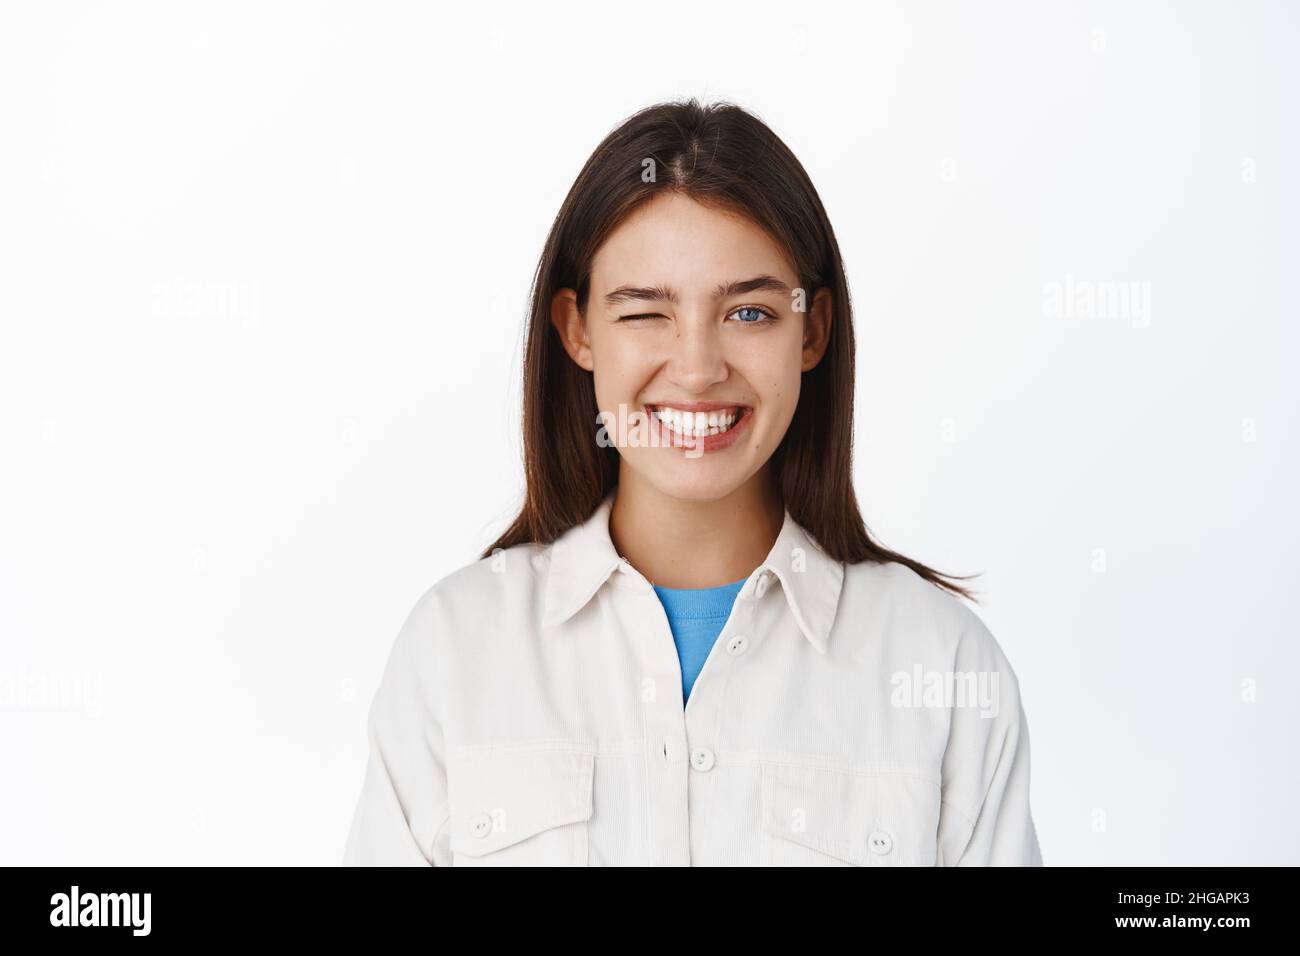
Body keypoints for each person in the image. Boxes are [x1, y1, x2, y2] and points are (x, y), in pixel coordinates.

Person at [342, 99, 1043, 866]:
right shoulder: (455, 653)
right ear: (577, 330)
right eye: (646, 313)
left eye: (749, 312)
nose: (699, 369)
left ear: (812, 331)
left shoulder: (940, 666)